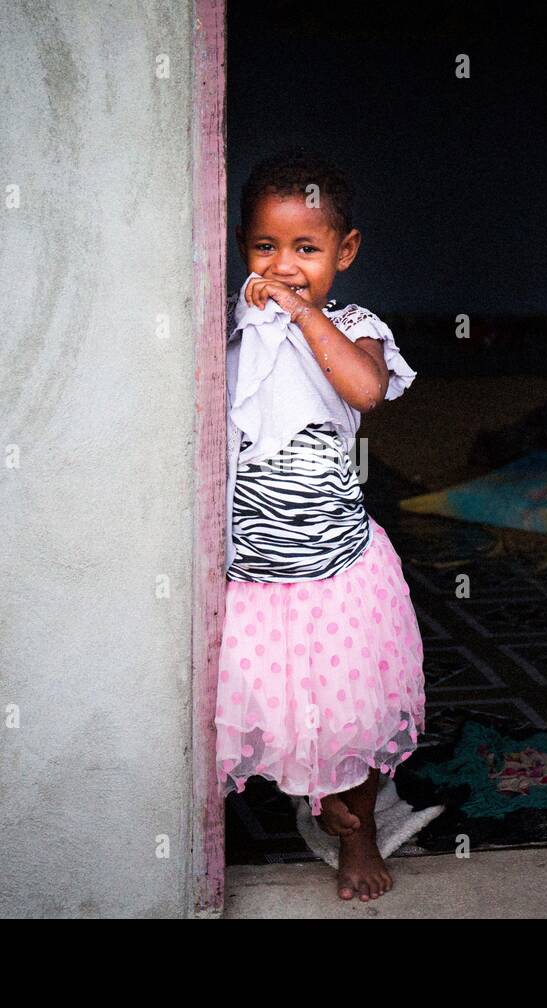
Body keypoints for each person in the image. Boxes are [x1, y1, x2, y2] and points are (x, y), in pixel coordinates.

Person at [215, 148, 426, 902]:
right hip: (245, 579)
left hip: (338, 575)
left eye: (306, 249)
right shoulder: (226, 333)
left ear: (346, 251)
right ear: (241, 245)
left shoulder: (353, 325)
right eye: (265, 246)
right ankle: (237, 833)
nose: (283, 266)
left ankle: (358, 826)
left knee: (352, 721)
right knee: (248, 713)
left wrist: (303, 315)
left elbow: (366, 390)